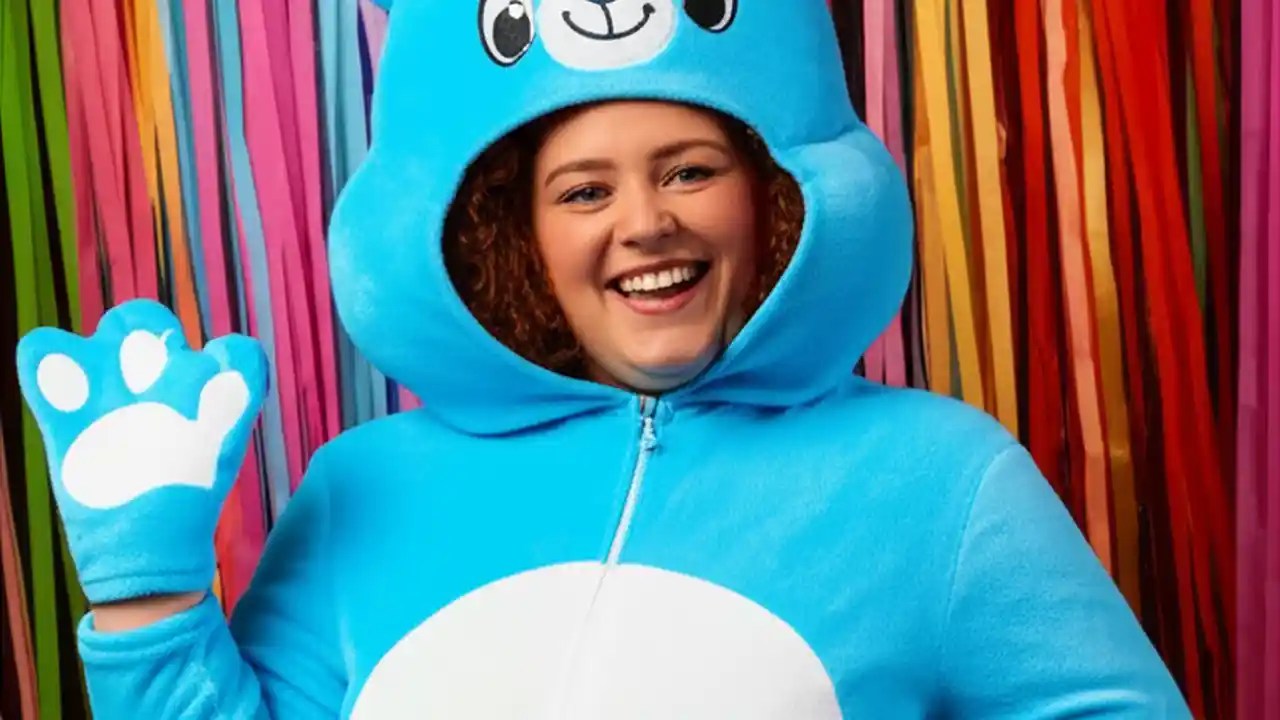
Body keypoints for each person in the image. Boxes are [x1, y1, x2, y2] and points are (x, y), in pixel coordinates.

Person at [15, 1, 1190, 717]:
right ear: (508, 235)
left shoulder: (937, 479)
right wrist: (150, 595)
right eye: (584, 191)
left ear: (773, 199)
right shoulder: (359, 488)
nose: (645, 224)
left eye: (689, 169)